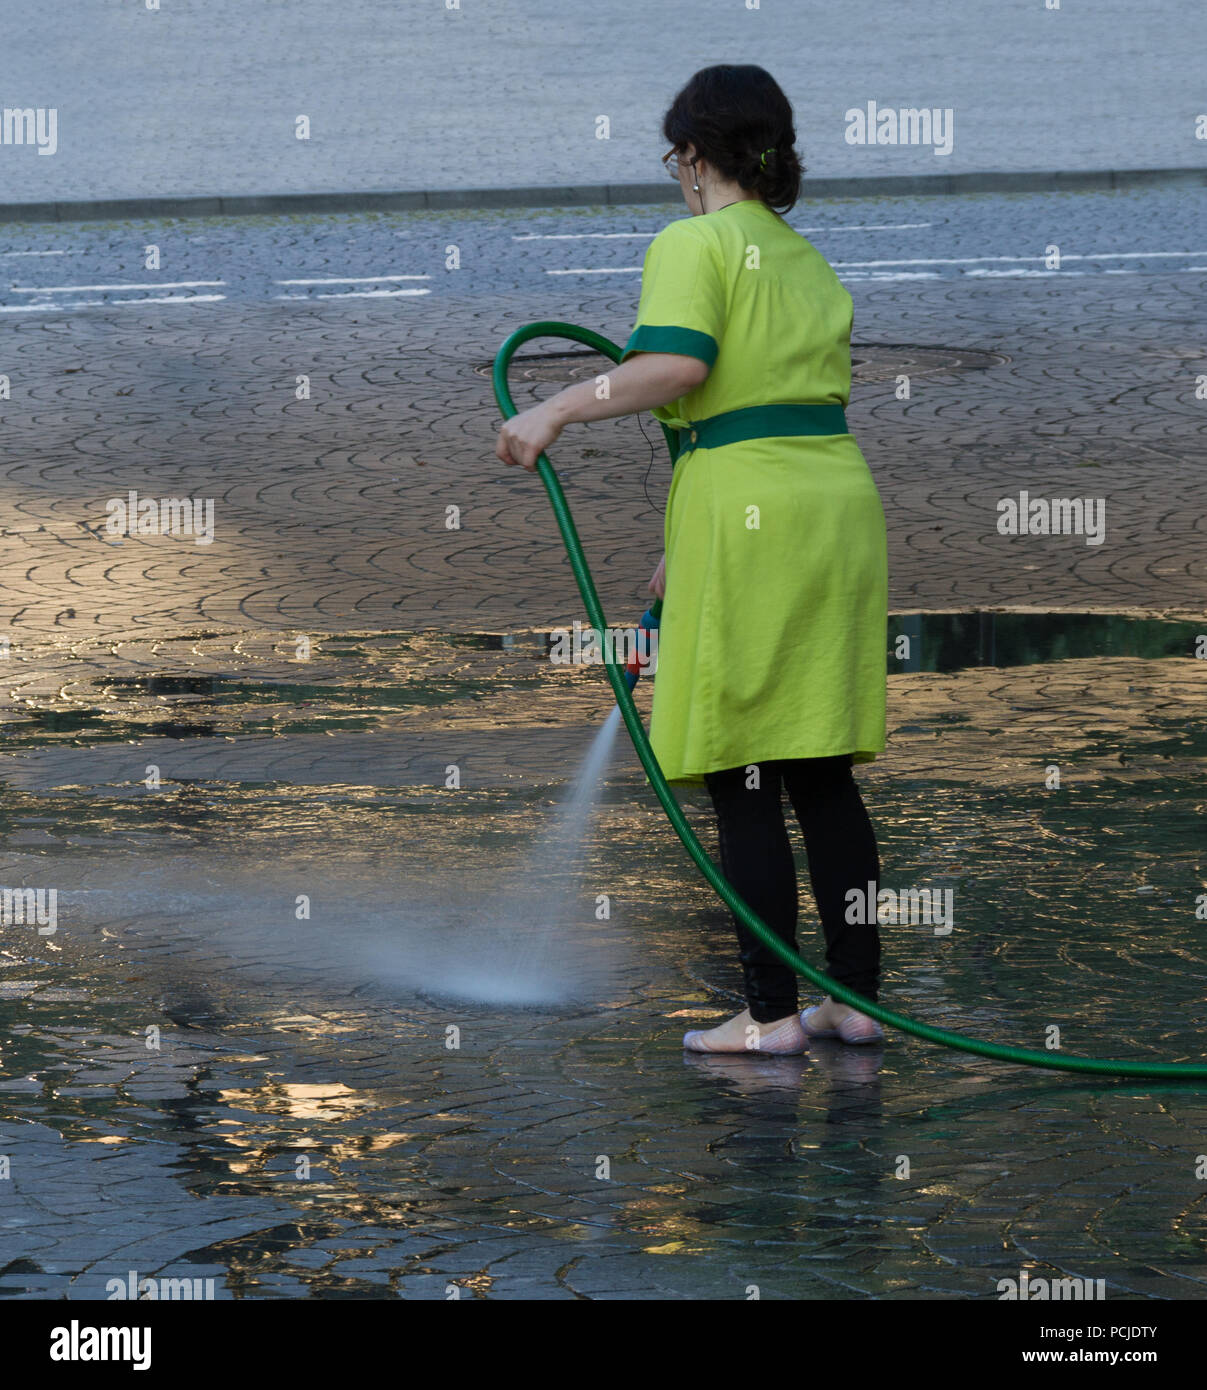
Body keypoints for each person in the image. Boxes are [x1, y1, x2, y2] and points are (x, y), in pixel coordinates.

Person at [496, 64, 887, 1055]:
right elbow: (757, 405)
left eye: (676, 158)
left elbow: (677, 369)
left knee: (742, 761)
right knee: (821, 769)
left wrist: (552, 409)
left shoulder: (693, 239)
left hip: (747, 500)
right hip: (831, 503)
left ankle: (767, 1019)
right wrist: (683, 551)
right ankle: (853, 1001)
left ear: (692, 153)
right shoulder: (804, 258)